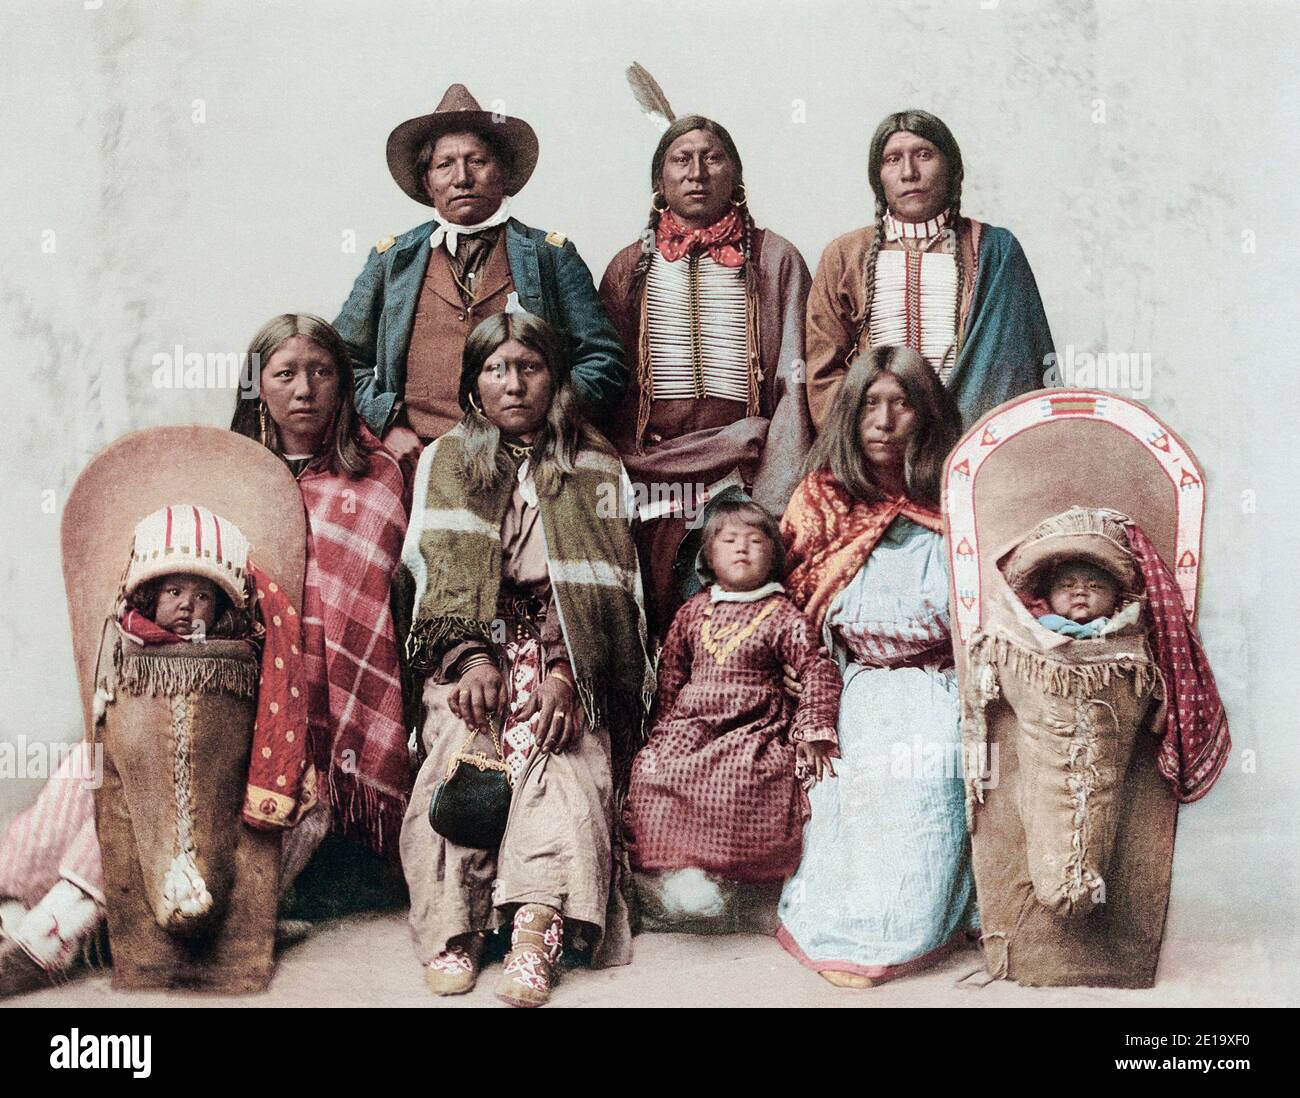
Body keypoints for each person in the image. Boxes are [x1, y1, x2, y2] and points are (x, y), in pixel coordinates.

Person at [397, 309, 655, 1008]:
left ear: (556, 378)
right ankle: (459, 926)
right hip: (472, 650)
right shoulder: (445, 460)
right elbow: (432, 573)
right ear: (474, 384)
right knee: (458, 749)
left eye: (530, 367)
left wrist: (569, 675)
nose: (513, 384)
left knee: (562, 756)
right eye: (495, 369)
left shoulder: (597, 462)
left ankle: (536, 927)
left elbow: (610, 591)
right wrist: (471, 658)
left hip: (562, 655)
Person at [0, 505, 312, 995]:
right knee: (82, 778)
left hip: (206, 779)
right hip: (127, 755)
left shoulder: (237, 657)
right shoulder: (126, 643)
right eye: (173, 591)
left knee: (143, 810)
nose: (187, 606)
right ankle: (18, 905)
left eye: (202, 595)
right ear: (148, 596)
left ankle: (57, 928)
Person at [776, 345, 976, 987]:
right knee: (845, 780)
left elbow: (992, 601)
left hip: (938, 681)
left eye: (902, 403)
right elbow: (794, 601)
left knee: (923, 776)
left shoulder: (961, 497)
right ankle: (844, 929)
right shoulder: (822, 500)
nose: (884, 419)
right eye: (870, 403)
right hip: (851, 678)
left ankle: (909, 926)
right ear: (849, 414)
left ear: (928, 416)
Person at [600, 115, 814, 637]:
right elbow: (602, 386)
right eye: (681, 159)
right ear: (660, 183)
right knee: (636, 613)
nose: (697, 172)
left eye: (712, 157)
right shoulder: (629, 268)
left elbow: (795, 388)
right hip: (644, 471)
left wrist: (772, 493)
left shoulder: (775, 259)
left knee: (731, 610)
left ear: (736, 176)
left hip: (741, 468)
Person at [334, 83, 626, 461]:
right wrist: (387, 422)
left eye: (477, 161)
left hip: (533, 461)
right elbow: (340, 360)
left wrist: (549, 417)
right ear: (427, 181)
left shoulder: (549, 256)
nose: (462, 178)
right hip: (418, 459)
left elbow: (606, 361)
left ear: (502, 172)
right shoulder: (393, 261)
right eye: (445, 165)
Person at [230, 314, 412, 866]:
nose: (305, 390)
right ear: (256, 386)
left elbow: (371, 596)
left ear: (344, 384)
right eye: (285, 374)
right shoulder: (233, 475)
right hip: (249, 667)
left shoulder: (376, 476)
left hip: (340, 681)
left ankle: (321, 822)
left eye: (321, 372)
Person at [624, 499, 840, 929]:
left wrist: (812, 728)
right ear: (709, 554)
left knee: (743, 776)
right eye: (728, 540)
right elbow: (672, 674)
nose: (742, 548)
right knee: (653, 772)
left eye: (755, 540)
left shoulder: (784, 615)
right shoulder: (693, 612)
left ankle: (732, 881)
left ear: (774, 554)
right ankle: (679, 872)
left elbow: (817, 668)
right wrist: (662, 730)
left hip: (753, 724)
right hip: (692, 723)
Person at [805, 110, 1055, 430]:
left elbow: (1017, 375)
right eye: (892, 159)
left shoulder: (995, 250)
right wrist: (865, 441)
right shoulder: (843, 255)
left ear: (952, 168)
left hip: (970, 441)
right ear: (877, 177)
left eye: (924, 155)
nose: (909, 172)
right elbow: (822, 376)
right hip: (873, 449)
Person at [1033, 559, 1126, 638]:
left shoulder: (1127, 629)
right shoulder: (1033, 629)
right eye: (1068, 585)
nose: (1080, 591)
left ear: (1116, 595)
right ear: (1048, 595)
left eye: (1094, 586)